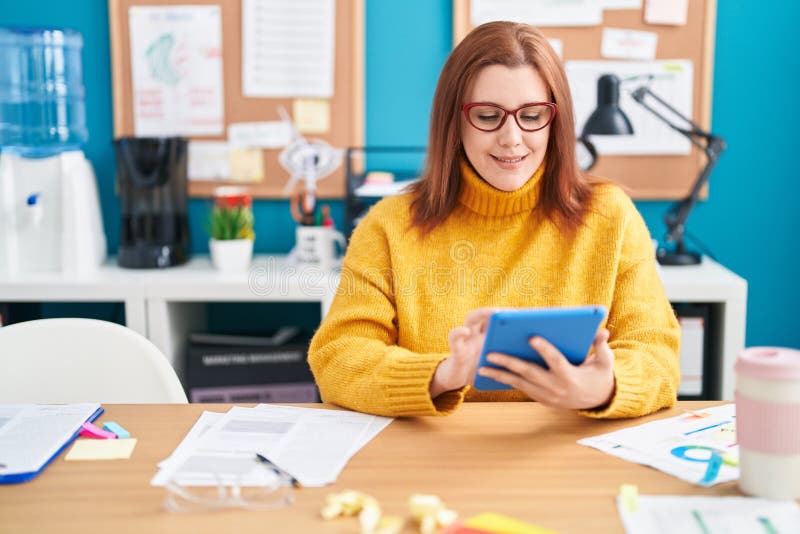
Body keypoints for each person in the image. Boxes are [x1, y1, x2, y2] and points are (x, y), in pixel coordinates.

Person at [308, 21, 680, 418]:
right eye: (487, 116)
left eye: (533, 115)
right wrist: (443, 374)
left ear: (556, 121)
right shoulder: (389, 225)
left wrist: (603, 387)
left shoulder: (611, 216)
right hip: (434, 457)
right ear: (454, 121)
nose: (512, 138)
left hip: (566, 453)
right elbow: (339, 356)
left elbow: (657, 353)